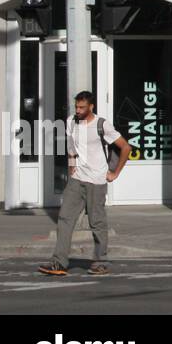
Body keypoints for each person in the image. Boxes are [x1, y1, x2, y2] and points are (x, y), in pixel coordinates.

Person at [38, 91, 129, 276]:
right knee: (65, 218)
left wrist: (115, 173)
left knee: (97, 222)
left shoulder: (102, 125)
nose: (78, 110)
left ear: (91, 107)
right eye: (76, 107)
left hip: (97, 181)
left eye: (82, 107)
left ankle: (99, 262)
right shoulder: (71, 121)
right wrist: (72, 165)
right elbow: (71, 146)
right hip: (77, 179)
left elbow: (125, 147)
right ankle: (59, 262)